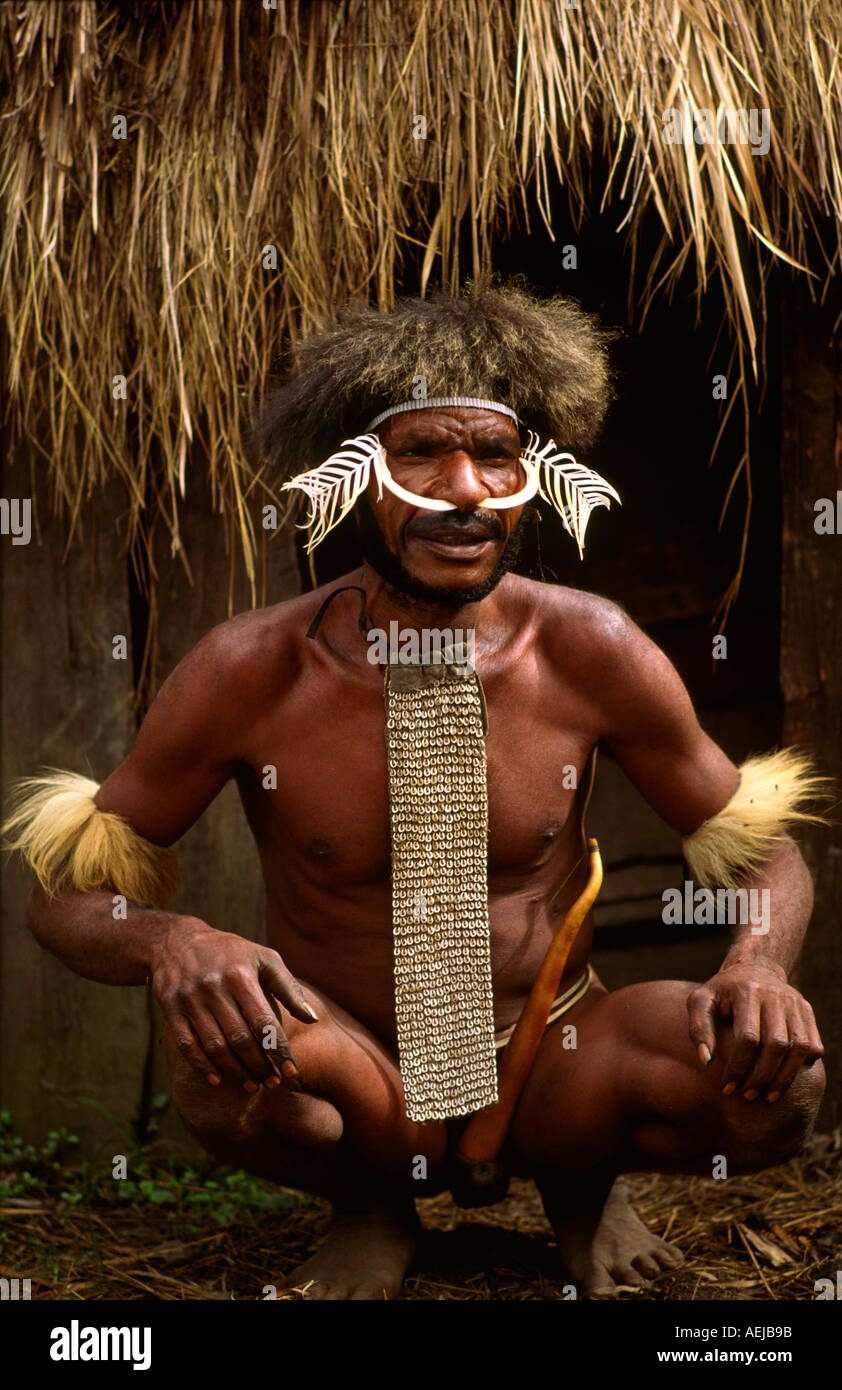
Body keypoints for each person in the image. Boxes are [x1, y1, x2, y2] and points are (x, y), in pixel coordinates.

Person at [6, 283, 826, 1299]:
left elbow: (758, 846)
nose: (465, 489)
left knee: (775, 1091)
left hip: (557, 1055)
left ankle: (583, 1192)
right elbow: (65, 896)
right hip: (353, 1066)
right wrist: (176, 941)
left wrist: (755, 965)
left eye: (494, 456)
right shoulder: (249, 669)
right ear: (356, 479)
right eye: (422, 454)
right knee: (227, 1077)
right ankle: (369, 1205)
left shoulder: (588, 645)